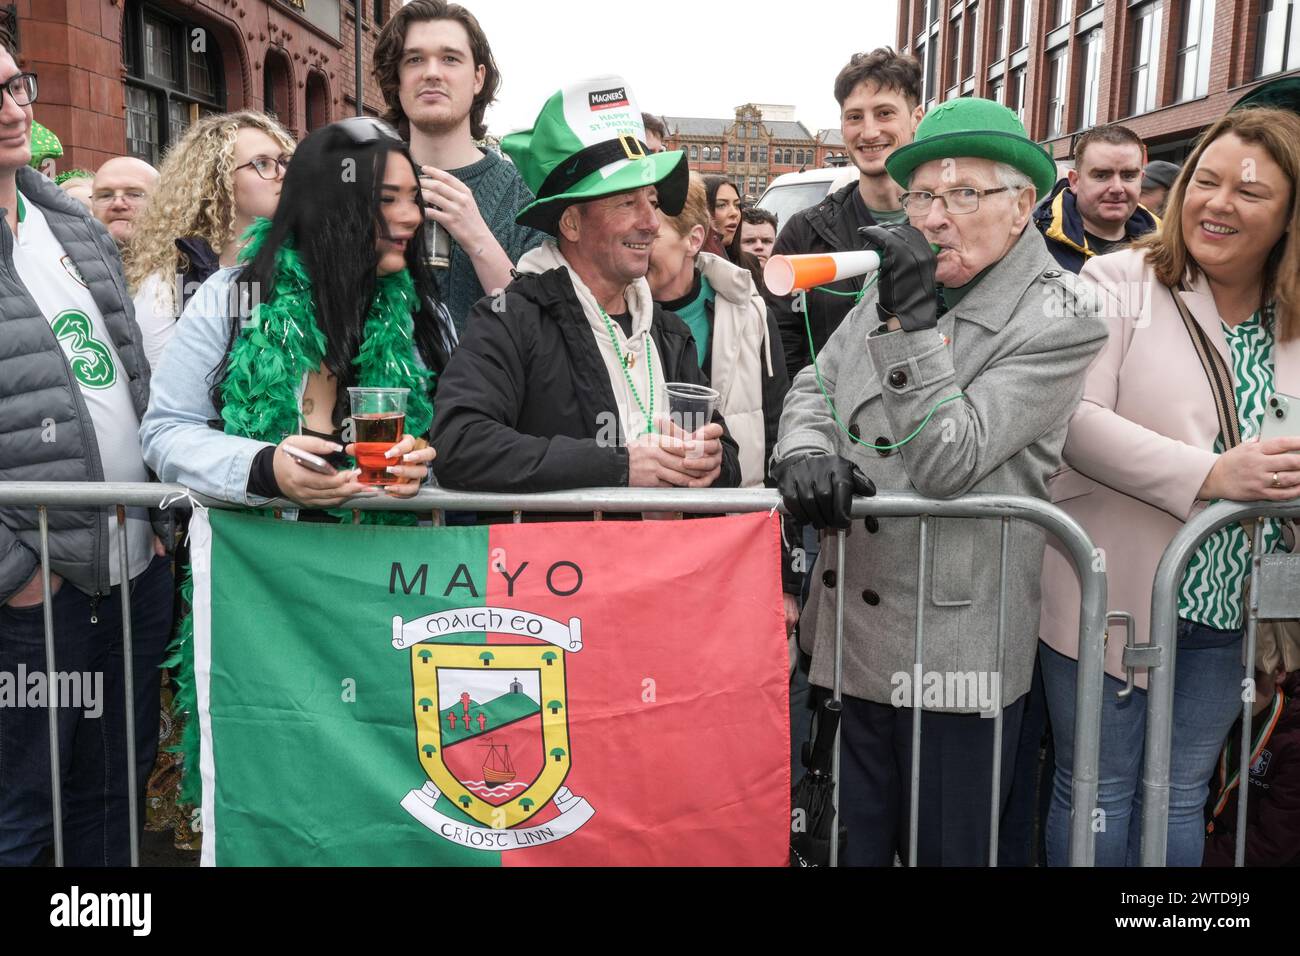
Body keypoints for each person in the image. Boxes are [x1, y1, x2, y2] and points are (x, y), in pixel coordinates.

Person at [774, 98, 1107, 867]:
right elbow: (812, 390)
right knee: (842, 848)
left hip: (955, 652)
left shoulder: (1062, 312)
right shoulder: (891, 284)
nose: (935, 216)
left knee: (948, 851)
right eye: (923, 195)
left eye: (964, 194)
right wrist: (801, 454)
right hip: (850, 640)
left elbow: (951, 461)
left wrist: (915, 330)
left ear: (1023, 205)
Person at [1039, 106, 1300, 867]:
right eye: (1205, 182)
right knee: (1097, 791)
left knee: (1180, 795)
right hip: (1114, 596)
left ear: (1289, 215)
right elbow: (1072, 421)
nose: (1217, 204)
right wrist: (1210, 476)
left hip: (1233, 607)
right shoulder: (1115, 278)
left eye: (1249, 193)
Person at [0, 46, 174, 866]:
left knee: (113, 796)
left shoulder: (67, 222)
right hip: (36, 594)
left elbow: (131, 372)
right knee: (25, 811)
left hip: (131, 571)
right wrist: (18, 576)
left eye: (14, 85)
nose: (11, 109)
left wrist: (161, 509)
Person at [431, 77, 740, 494]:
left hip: (662, 559)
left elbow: (726, 451)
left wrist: (714, 462)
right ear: (571, 222)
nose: (650, 222)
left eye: (651, 200)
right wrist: (620, 465)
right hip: (562, 563)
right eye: (627, 203)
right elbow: (460, 445)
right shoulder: (510, 320)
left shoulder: (669, 332)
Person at [140, 117, 445, 512]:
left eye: (413, 198)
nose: (412, 217)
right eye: (387, 200)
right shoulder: (232, 297)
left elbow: (451, 445)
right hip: (260, 564)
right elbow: (166, 431)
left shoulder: (420, 313)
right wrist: (264, 470)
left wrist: (421, 463)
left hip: (378, 564)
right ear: (330, 203)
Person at [373, 0, 544, 336]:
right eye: (415, 59)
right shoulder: (360, 180)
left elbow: (540, 333)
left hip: (495, 389)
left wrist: (478, 239)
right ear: (398, 77)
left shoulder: (525, 199)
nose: (432, 72)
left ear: (478, 77)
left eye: (450, 58)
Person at [764, 48, 922, 385]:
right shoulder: (805, 233)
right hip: (828, 428)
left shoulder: (944, 227)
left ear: (916, 119)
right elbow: (781, 349)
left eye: (884, 113)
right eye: (854, 117)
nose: (868, 132)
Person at [124, 110, 295, 371]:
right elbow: (169, 388)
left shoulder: (303, 267)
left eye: (284, 161)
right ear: (219, 179)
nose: (281, 173)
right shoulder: (170, 283)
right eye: (262, 164)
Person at [1203, 652, 1300, 867]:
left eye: (1252, 678)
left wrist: (1193, 857)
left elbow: (1274, 844)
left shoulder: (1292, 738)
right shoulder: (1212, 711)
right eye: (1233, 676)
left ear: (1280, 672)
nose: (1242, 692)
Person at [1034, 124, 1158, 273]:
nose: (1117, 188)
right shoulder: (1034, 244)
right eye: (1101, 175)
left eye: (1129, 176)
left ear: (1141, 180)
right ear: (1075, 181)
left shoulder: (1166, 244)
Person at [91, 155, 158, 247]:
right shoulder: (67, 258)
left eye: (134, 195)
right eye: (105, 195)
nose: (118, 204)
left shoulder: (182, 256)